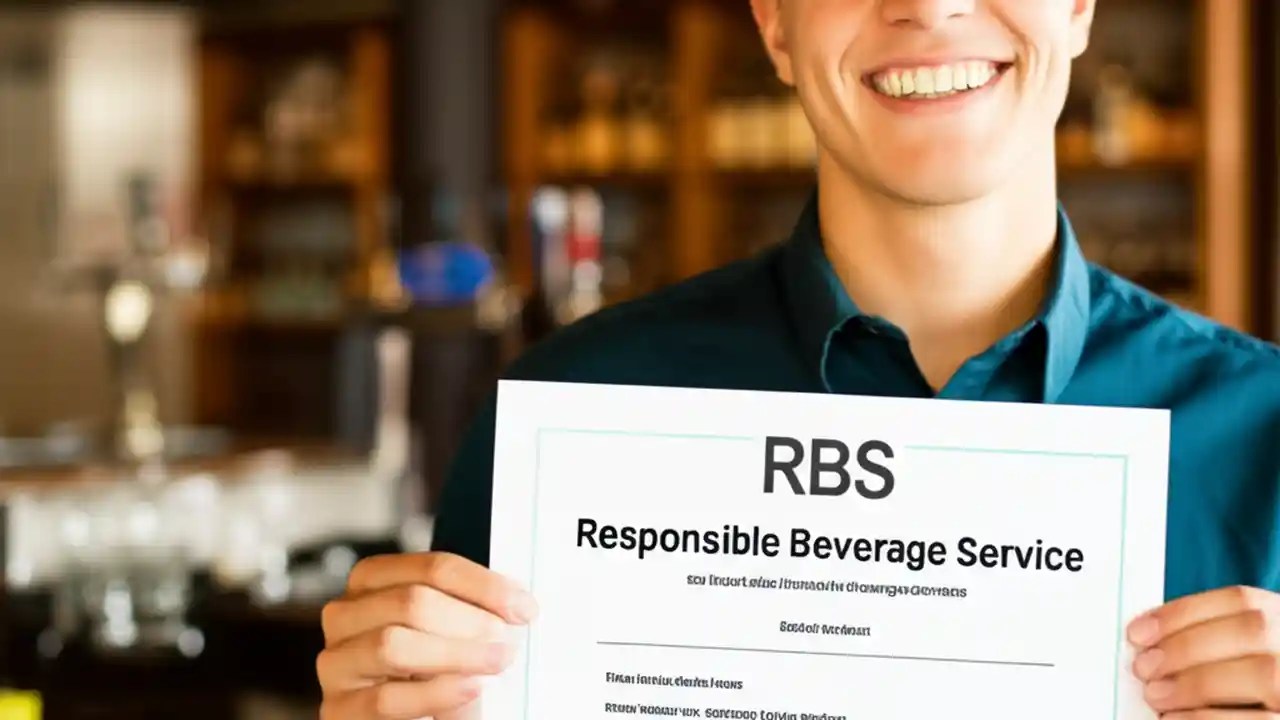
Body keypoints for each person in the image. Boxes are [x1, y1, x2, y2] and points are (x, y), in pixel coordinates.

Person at [317, 1, 1280, 718]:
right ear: (774, 23)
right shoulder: (562, 416)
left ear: (1076, 6)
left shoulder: (1266, 429)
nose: (929, 6)